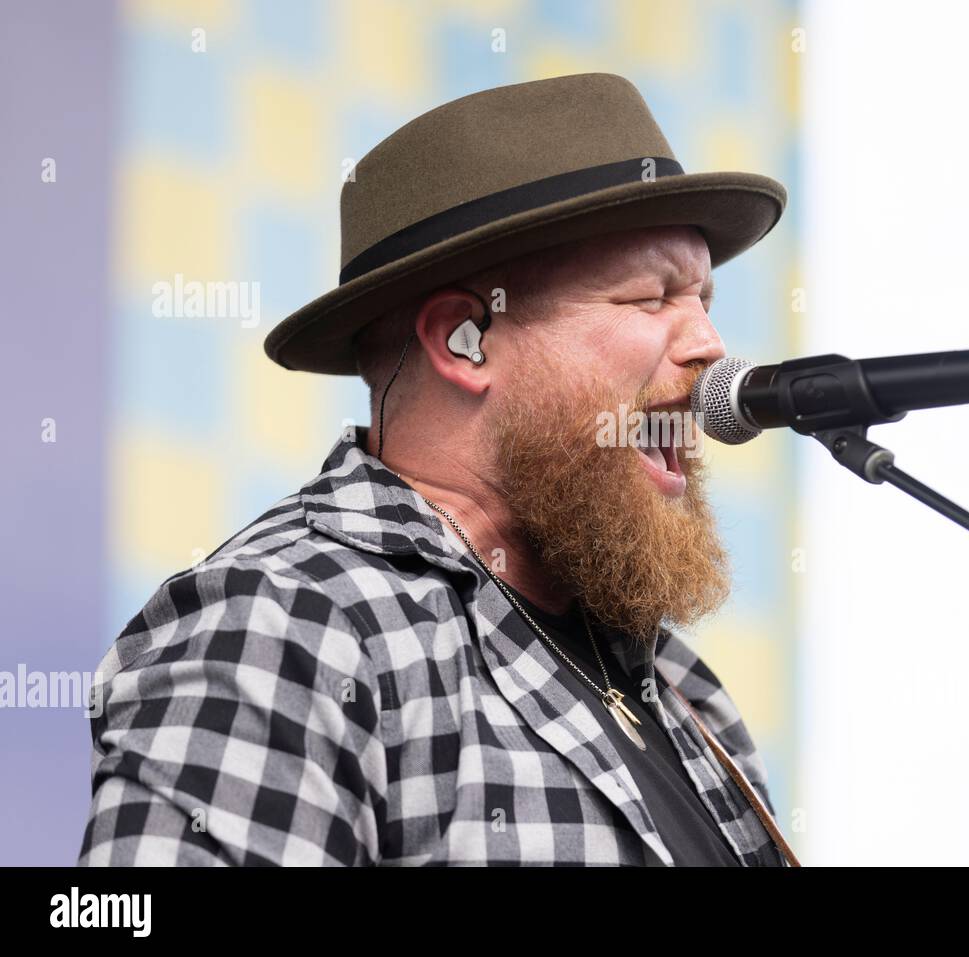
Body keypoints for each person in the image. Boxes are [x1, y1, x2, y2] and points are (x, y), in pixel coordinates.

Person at [79, 73, 797, 866]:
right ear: (465, 339)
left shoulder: (686, 691)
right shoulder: (288, 627)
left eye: (704, 299)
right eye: (652, 298)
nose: (710, 348)